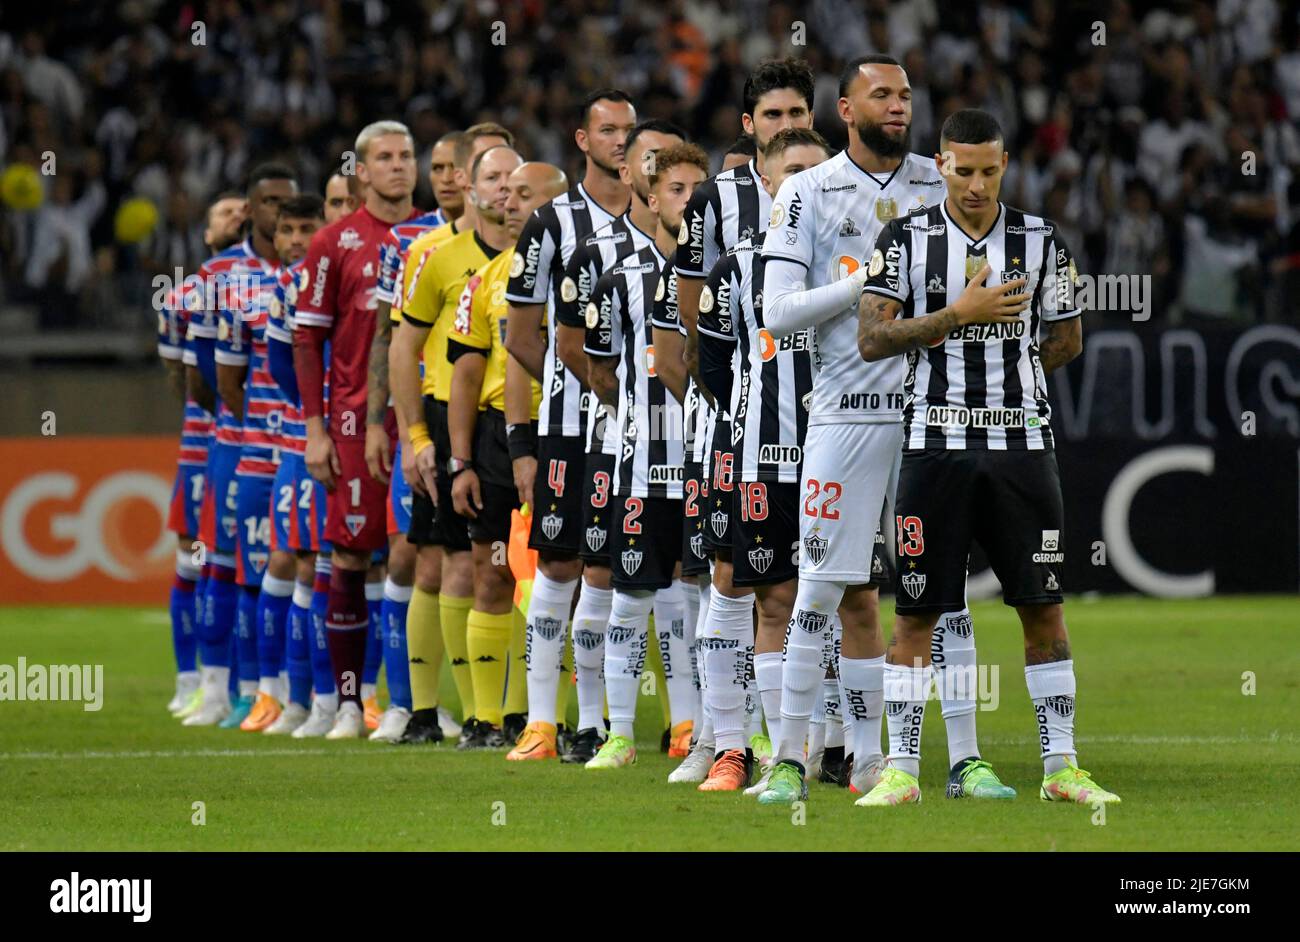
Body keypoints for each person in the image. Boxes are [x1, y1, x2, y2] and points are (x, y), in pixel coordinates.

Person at [756, 55, 1005, 805]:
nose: (898, 105)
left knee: (944, 593)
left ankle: (963, 761)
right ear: (845, 109)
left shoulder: (941, 182)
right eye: (882, 95)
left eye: (905, 95)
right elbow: (777, 313)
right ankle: (793, 761)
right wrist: (867, 281)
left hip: (934, 415)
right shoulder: (807, 191)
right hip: (845, 413)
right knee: (820, 589)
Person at [854, 108, 1120, 808]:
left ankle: (1060, 768)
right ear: (941, 164)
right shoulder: (905, 237)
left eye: (988, 171)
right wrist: (957, 318)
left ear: (1005, 165)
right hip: (933, 447)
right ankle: (903, 771)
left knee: (1043, 607)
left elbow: (1067, 337)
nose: (976, 185)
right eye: (963, 170)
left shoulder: (1041, 240)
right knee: (917, 612)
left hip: (1021, 449)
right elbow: (872, 339)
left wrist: (1011, 377)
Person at [508, 118, 687, 764]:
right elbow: (560, 346)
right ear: (632, 173)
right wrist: (619, 408)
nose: (657, 170)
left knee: (681, 573)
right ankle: (556, 723)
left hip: (684, 441)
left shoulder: (708, 251)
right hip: (585, 432)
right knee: (576, 567)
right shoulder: (590, 253)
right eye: (647, 158)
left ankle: (684, 726)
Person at [673, 57, 815, 784]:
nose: (787, 125)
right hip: (739, 423)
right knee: (729, 576)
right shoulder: (715, 202)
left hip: (832, 425)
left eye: (798, 114)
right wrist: (734, 409)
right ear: (749, 125)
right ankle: (724, 741)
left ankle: (819, 745)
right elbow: (694, 319)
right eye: (775, 115)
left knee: (826, 588)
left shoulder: (839, 192)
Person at [503, 90, 637, 762]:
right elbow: (522, 337)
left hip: (641, 427)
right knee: (558, 563)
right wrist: (578, 388)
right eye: (608, 130)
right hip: (568, 425)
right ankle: (540, 724)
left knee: (615, 566)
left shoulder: (660, 221)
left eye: (629, 131)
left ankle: (596, 725)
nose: (621, 141)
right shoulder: (550, 222)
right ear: (583, 140)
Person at [385, 123, 515, 746]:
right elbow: (401, 347)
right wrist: (415, 436)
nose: (503, 189)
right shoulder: (434, 254)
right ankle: (433, 710)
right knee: (442, 562)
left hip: (519, 420)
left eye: (512, 178)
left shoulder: (542, 252)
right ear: (468, 182)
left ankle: (513, 713)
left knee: (515, 568)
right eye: (491, 176)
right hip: (449, 417)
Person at [581, 142, 710, 769]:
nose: (688, 201)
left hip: (708, 463)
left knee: (710, 596)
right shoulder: (620, 281)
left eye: (697, 191)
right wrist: (638, 419)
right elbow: (598, 372)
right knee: (630, 596)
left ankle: (710, 732)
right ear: (651, 199)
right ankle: (621, 734)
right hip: (641, 468)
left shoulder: (726, 275)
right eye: (676, 190)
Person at [294, 121, 421, 740]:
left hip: (422, 417)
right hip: (352, 422)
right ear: (362, 171)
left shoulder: (434, 234)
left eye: (407, 156)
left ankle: (414, 702)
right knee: (350, 553)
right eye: (386, 157)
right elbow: (307, 338)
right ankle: (349, 702)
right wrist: (315, 430)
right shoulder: (333, 242)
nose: (399, 166)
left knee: (418, 559)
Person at [446, 161, 570, 753]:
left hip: (572, 431)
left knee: (566, 578)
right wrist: (462, 461)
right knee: (493, 570)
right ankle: (485, 717)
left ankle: (548, 717)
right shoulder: (489, 279)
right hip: (503, 437)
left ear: (556, 202)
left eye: (525, 194)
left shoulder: (587, 269)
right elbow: (467, 376)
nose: (510, 201)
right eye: (506, 192)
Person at [182, 165, 298, 727]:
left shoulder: (312, 269)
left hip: (299, 444)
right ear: (251, 210)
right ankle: (220, 689)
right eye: (270, 202)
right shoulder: (218, 274)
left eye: (288, 203)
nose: (280, 213)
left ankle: (298, 691)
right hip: (240, 443)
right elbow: (203, 371)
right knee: (226, 563)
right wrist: (242, 419)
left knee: (304, 566)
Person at [161, 192, 244, 718]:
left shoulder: (275, 283)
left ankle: (239, 683)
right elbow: (179, 375)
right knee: (194, 557)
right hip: (204, 445)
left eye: (241, 210)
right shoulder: (183, 297)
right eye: (222, 213)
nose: (235, 216)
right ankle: (190, 678)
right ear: (208, 235)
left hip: (256, 443)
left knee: (246, 562)